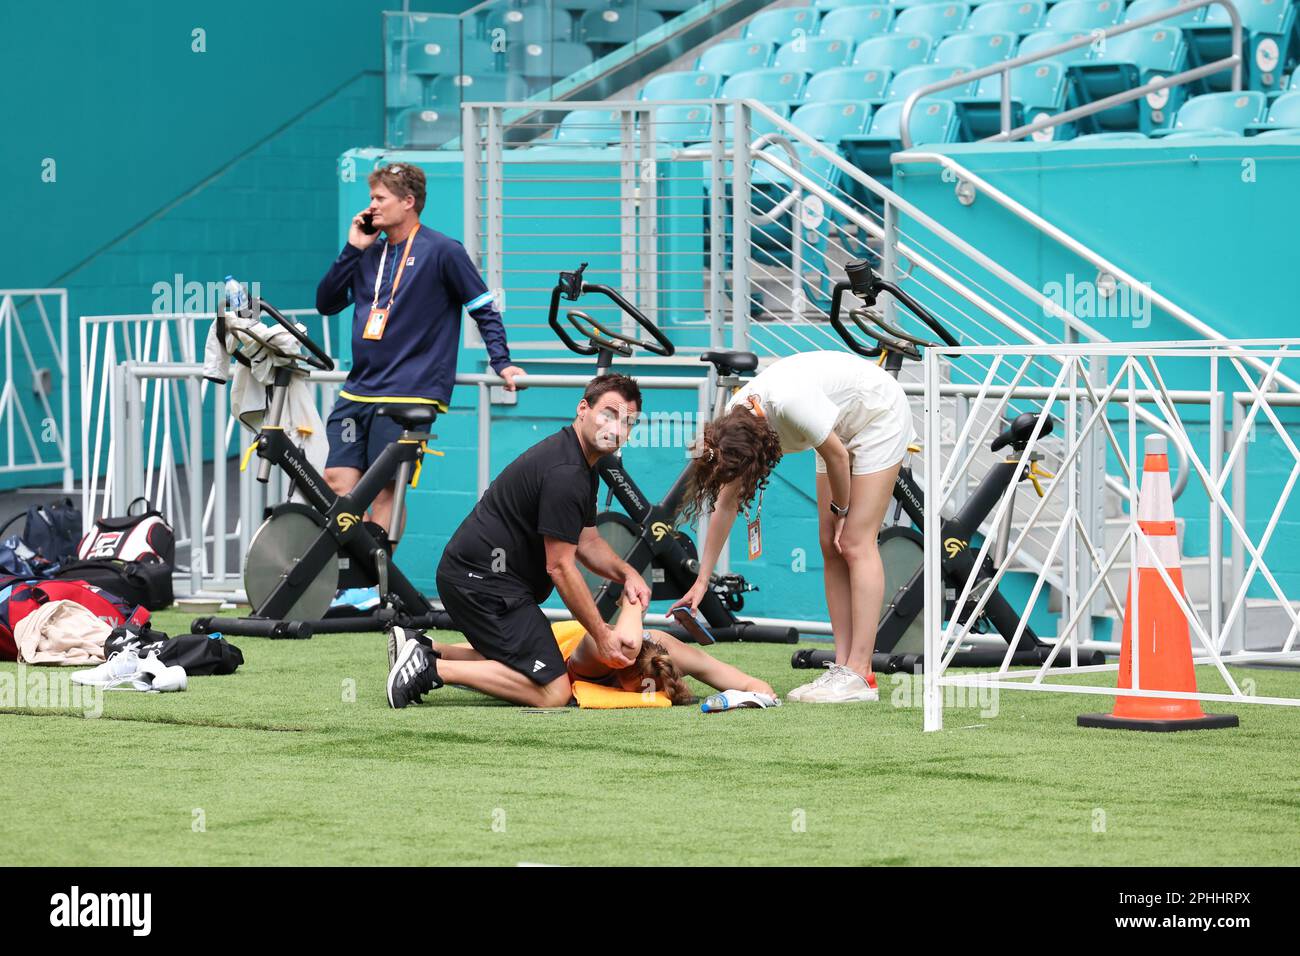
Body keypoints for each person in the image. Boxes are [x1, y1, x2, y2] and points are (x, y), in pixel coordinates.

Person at [385, 374, 653, 709]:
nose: (616, 429)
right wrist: (602, 635)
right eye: (609, 414)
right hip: (484, 586)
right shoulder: (567, 473)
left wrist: (626, 573)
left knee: (523, 656)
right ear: (583, 408)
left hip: (478, 578)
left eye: (628, 423)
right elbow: (559, 567)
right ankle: (432, 669)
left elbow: (587, 541)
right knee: (554, 692)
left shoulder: (581, 464)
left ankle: (424, 648)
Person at [673, 350, 915, 704]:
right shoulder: (733, 423)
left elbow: (838, 456)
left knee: (854, 541)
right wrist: (701, 581)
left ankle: (861, 674)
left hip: (878, 415)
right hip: (834, 429)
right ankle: (843, 669)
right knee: (828, 544)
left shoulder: (790, 406)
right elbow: (726, 502)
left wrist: (842, 510)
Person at [315, 162, 525, 541]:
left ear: (408, 201)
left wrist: (502, 363)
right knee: (337, 484)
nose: (371, 207)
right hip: (357, 390)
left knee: (384, 492)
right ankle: (353, 575)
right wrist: (352, 247)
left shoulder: (443, 251)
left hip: (409, 392)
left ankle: (370, 587)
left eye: (380, 198)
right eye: (371, 199)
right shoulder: (367, 254)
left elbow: (483, 309)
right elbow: (326, 302)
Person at [389, 593, 775, 707]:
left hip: (600, 646)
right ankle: (430, 662)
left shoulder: (678, 659)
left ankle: (423, 646)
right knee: (522, 673)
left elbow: (752, 682)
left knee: (507, 664)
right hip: (569, 644)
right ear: (620, 671)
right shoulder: (601, 657)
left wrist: (746, 698)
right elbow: (597, 646)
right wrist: (631, 614)